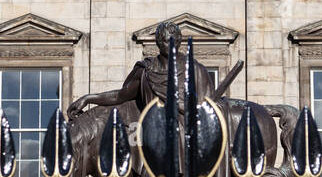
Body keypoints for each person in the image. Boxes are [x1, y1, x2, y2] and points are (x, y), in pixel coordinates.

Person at [66, 20, 215, 119]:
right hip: (154, 135)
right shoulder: (146, 70)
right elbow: (120, 96)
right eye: (166, 40)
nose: (171, 44)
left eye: (175, 40)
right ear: (158, 42)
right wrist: (88, 98)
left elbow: (209, 111)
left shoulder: (197, 71)